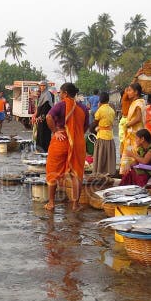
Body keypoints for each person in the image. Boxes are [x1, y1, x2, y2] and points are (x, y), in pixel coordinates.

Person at [44, 83, 89, 211]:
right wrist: (76, 135)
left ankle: (51, 203)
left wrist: (55, 131)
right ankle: (75, 204)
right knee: (77, 174)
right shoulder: (83, 108)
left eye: (60, 93)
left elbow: (49, 117)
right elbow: (86, 126)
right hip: (77, 143)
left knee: (53, 171)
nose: (59, 95)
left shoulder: (61, 105)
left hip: (61, 140)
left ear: (65, 94)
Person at [118, 83, 146, 175]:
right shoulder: (135, 102)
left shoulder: (138, 103)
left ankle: (131, 175)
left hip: (135, 135)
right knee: (128, 155)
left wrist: (127, 124)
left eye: (130, 90)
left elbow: (138, 118)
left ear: (136, 92)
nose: (128, 92)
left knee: (133, 155)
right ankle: (127, 175)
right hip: (131, 135)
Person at [91, 91, 116, 175]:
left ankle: (99, 173)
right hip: (110, 135)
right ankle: (109, 172)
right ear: (108, 100)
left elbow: (95, 122)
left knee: (100, 156)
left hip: (102, 135)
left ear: (100, 100)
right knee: (109, 156)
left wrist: (93, 129)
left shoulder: (100, 110)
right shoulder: (112, 110)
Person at [34, 81, 54, 152]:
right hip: (41, 117)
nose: (42, 87)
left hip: (45, 118)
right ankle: (39, 149)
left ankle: (44, 149)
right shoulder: (42, 94)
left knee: (44, 133)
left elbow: (46, 107)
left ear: (46, 86)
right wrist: (36, 115)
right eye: (41, 86)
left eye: (43, 86)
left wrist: (41, 117)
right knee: (40, 133)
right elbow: (39, 106)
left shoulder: (47, 95)